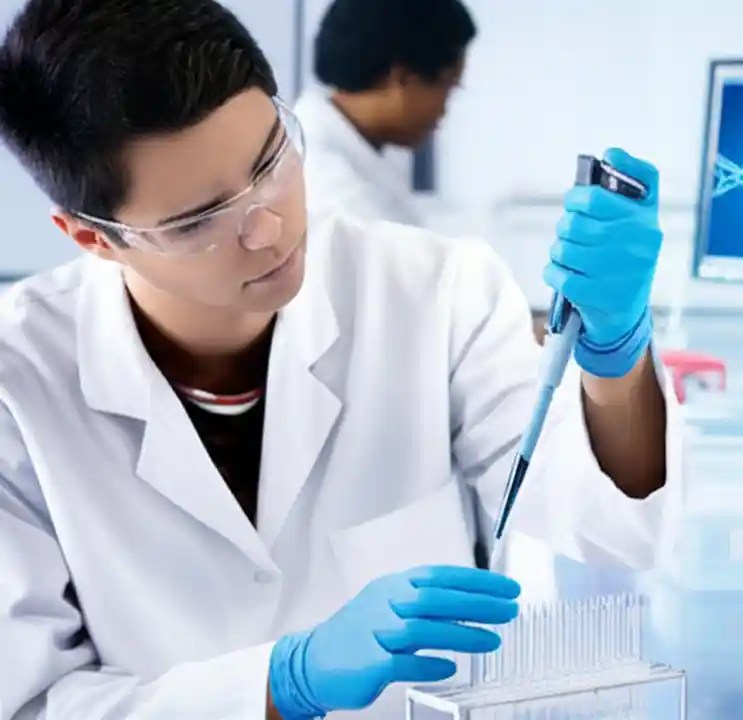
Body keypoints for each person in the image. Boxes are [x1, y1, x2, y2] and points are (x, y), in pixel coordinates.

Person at [0, 1, 680, 719]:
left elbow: (611, 523)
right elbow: (31, 702)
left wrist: (613, 352)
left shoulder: (433, 291)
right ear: (93, 238)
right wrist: (282, 681)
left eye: (269, 162)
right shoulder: (18, 384)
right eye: (199, 220)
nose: (267, 228)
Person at [295, 0, 474, 226]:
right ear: (403, 78)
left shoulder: (352, 149)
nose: (444, 110)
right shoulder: (337, 195)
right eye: (449, 87)